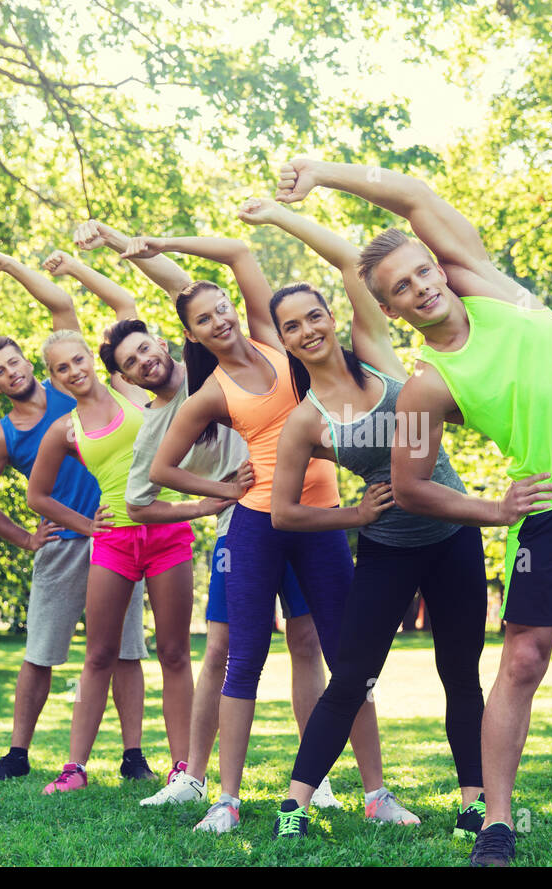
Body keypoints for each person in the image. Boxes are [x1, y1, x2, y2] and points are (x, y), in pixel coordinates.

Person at [276, 158, 552, 866]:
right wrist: (493, 508)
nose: (420, 287)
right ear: (392, 311)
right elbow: (411, 485)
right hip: (549, 510)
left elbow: (413, 195)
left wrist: (322, 175)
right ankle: (495, 822)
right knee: (523, 657)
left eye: (421, 272)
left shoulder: (491, 285)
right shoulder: (429, 387)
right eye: (401, 289)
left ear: (437, 265)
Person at [236, 197, 492, 842]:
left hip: (454, 532)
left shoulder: (376, 350)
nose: (308, 330)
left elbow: (355, 261)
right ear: (285, 341)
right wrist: (351, 513)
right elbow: (285, 512)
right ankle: (293, 803)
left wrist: (277, 218)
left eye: (314, 315)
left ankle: (475, 800)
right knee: (351, 675)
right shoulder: (304, 420)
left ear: (330, 316)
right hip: (386, 549)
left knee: (460, 672)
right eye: (291, 326)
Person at [72, 219, 347, 811]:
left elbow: (188, 288)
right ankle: (194, 776)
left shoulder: (223, 355)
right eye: (133, 362)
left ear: (167, 343)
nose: (145, 361)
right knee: (223, 649)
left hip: (302, 511)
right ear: (125, 378)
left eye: (147, 347)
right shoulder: (165, 417)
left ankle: (315, 775)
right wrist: (211, 499)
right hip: (243, 528)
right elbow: (142, 498)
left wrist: (129, 242)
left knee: (306, 640)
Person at [135, 229, 404, 833]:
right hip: (258, 525)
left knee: (349, 657)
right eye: (204, 321)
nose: (219, 322)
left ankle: (377, 793)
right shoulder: (209, 393)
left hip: (323, 523)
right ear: (193, 335)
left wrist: (152, 242)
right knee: (244, 659)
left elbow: (237, 252)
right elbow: (160, 470)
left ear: (235, 310)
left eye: (222, 310)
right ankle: (225, 801)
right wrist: (227, 489)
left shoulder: (281, 347)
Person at [0, 249, 148, 784]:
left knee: (123, 651)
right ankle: (18, 753)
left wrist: (9, 266)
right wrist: (25, 539)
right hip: (64, 545)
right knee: (41, 652)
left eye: (14, 362)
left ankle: (132, 755)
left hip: (117, 532)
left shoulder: (70, 386)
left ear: (29, 364)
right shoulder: (3, 436)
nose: (10, 373)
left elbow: (62, 303)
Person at [25, 250, 192, 794]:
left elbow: (124, 303)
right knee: (98, 653)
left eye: (78, 360)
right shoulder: (65, 429)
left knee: (172, 652)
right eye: (60, 368)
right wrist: (86, 524)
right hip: (114, 540)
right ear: (51, 378)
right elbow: (37, 496)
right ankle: (74, 768)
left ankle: (184, 767)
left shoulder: (131, 388)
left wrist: (73, 267)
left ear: (93, 362)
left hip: (167, 531)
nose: (73, 371)